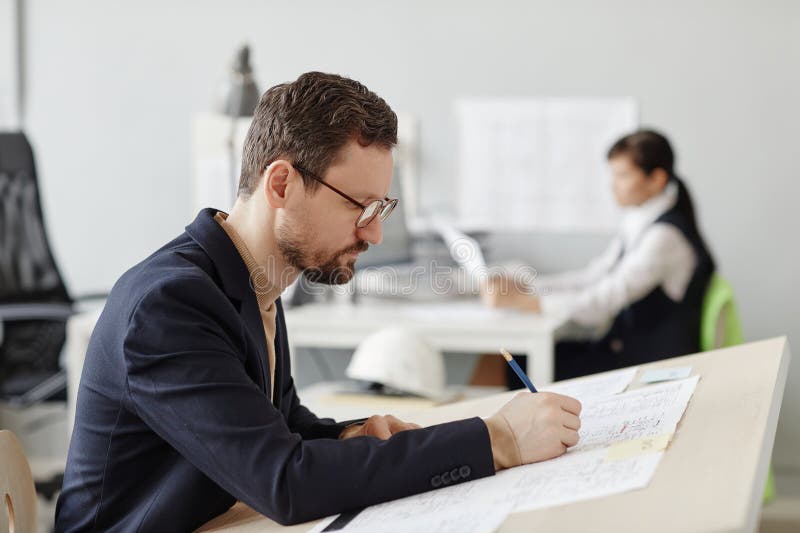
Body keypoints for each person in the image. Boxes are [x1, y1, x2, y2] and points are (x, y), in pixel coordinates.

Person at [55, 72, 582, 531]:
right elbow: (285, 481)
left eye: (382, 208)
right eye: (362, 207)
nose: (374, 234)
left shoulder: (250, 280)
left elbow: (276, 427)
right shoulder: (169, 305)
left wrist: (350, 433)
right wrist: (498, 439)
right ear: (281, 183)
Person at [483, 130, 715, 382]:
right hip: (625, 350)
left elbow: (604, 300)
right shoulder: (638, 221)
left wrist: (531, 302)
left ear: (656, 179)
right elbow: (594, 276)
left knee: (506, 362)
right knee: (502, 357)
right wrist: (529, 287)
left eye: (622, 175)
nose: (612, 185)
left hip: (647, 362)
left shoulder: (664, 237)